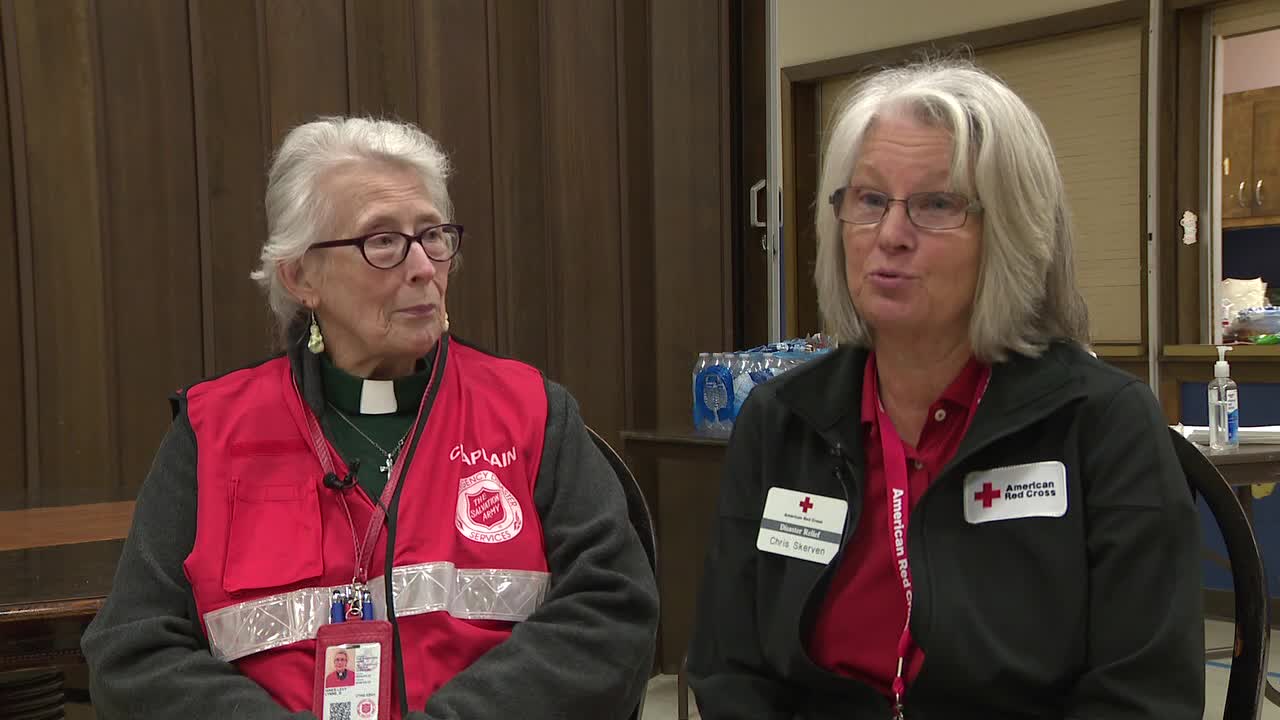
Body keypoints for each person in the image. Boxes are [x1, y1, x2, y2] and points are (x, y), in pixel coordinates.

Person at [82, 116, 658, 719]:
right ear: (300, 276)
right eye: (382, 241)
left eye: (433, 236)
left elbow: (611, 610)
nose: (423, 267)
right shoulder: (211, 431)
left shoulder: (531, 413)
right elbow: (133, 651)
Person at [686, 59, 1203, 719]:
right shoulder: (782, 419)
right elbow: (729, 667)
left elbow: (1145, 697)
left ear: (1010, 231)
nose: (890, 235)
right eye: (869, 200)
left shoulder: (1099, 424)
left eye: (936, 204)